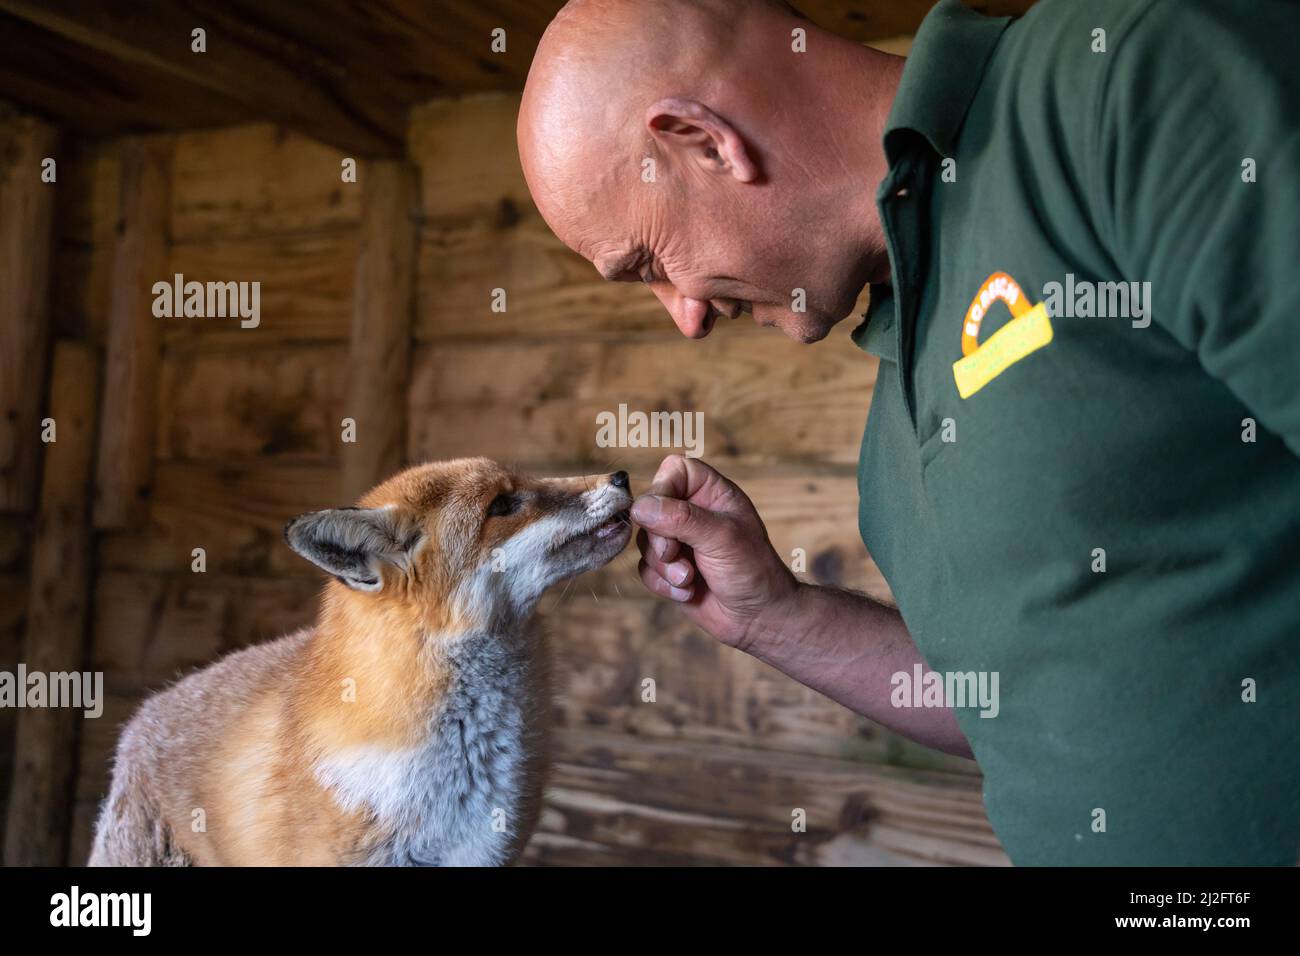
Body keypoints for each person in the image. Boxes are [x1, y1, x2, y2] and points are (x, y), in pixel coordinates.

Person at [516, 0, 1300, 864]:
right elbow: (1012, 709)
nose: (688, 318)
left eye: (650, 265)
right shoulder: (894, 419)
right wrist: (772, 616)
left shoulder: (1118, 87)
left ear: (704, 142)